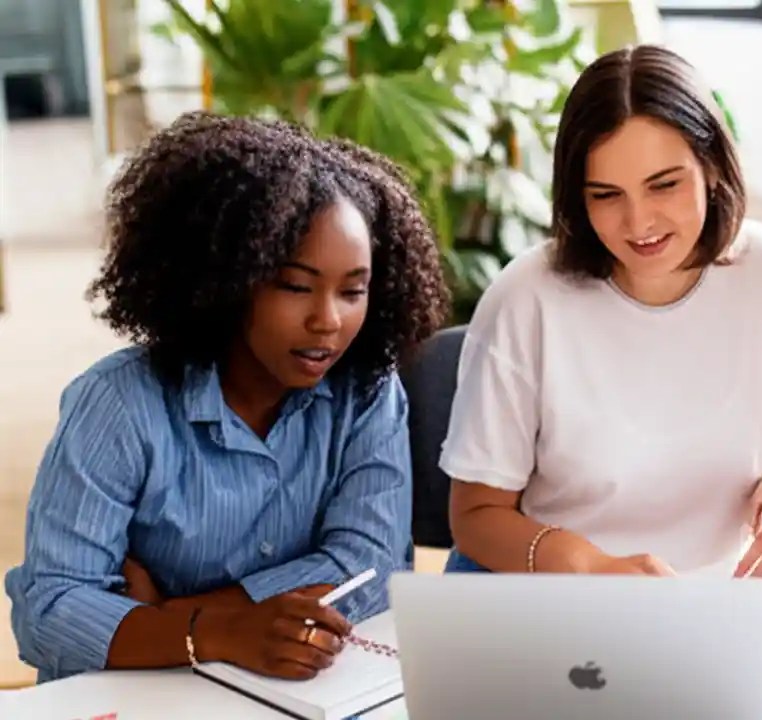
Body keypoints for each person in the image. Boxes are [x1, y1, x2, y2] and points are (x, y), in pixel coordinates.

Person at [5, 111, 449, 683]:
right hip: (136, 694)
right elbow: (50, 612)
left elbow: (368, 570)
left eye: (353, 291)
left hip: (295, 685)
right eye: (295, 286)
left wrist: (169, 615)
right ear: (227, 280)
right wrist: (222, 634)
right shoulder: (117, 404)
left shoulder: (367, 390)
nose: (328, 320)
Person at [440, 44, 762, 582]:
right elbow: (476, 519)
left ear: (713, 167)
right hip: (550, 596)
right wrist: (591, 566)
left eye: (664, 185)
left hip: (710, 597)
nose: (638, 222)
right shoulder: (527, 298)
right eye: (606, 195)